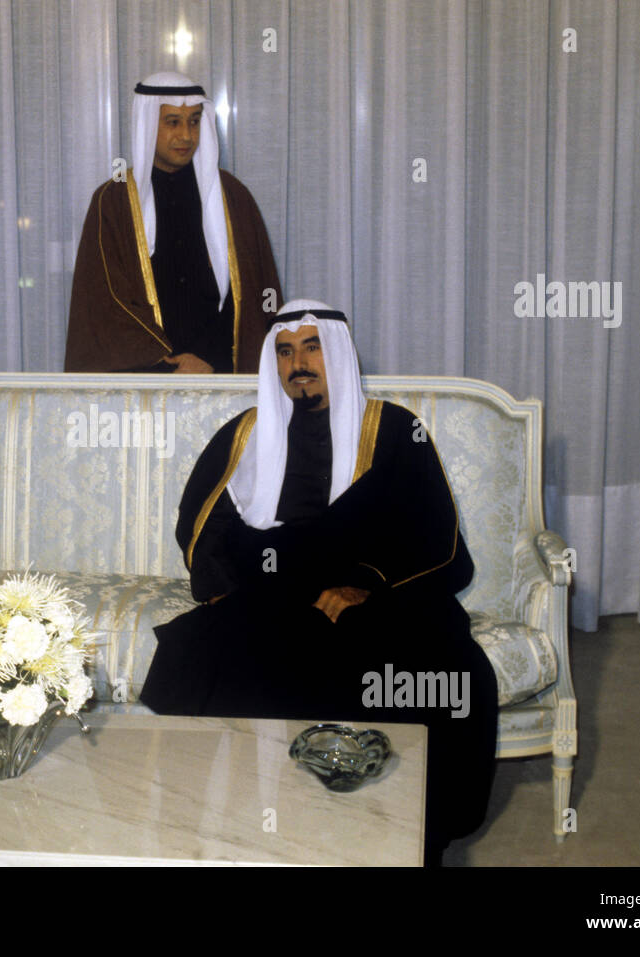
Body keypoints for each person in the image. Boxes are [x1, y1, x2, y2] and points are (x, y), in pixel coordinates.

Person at [139, 299, 498, 864]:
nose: (297, 362)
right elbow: (201, 522)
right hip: (274, 590)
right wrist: (228, 588)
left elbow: (434, 534)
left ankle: (388, 831)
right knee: (208, 650)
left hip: (376, 589)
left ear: (336, 353)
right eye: (285, 351)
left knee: (439, 667)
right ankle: (245, 831)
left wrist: (365, 583)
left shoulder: (395, 428)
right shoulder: (247, 432)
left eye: (311, 348)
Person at [64, 71, 281, 374]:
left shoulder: (233, 197)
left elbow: (251, 293)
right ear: (148, 123)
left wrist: (205, 358)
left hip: (220, 370)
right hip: (146, 376)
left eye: (194, 121)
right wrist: (167, 361)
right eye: (173, 122)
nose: (186, 136)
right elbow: (106, 301)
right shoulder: (113, 201)